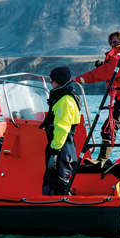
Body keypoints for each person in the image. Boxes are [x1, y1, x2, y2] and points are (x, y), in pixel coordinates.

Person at [76, 30, 120, 163]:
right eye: (111, 42)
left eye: (116, 42)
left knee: (108, 128)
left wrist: (79, 79)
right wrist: (107, 66)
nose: (113, 44)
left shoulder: (118, 57)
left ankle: (102, 161)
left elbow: (102, 73)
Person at [40, 66, 83, 195]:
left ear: (57, 81)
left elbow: (62, 128)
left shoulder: (64, 101)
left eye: (51, 81)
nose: (50, 84)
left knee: (57, 180)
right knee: (57, 180)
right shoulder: (65, 98)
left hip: (62, 148)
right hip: (66, 146)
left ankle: (60, 202)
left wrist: (55, 151)